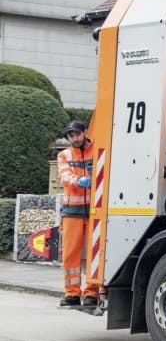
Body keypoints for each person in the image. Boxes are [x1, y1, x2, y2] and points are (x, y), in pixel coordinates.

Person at [57, 120, 99, 308]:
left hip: (93, 211)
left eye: (77, 134)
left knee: (94, 253)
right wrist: (79, 180)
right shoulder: (64, 155)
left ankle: (91, 293)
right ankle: (72, 294)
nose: (74, 139)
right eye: (71, 136)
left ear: (84, 133)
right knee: (70, 254)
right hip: (72, 212)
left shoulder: (97, 151)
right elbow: (64, 177)